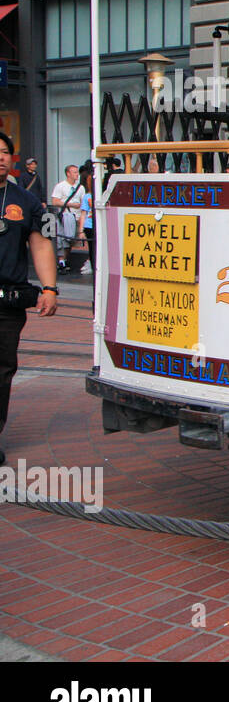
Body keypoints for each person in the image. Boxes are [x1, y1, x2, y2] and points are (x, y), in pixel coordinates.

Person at [0, 132, 59, 465]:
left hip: (6, 304)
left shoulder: (27, 201)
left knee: (1, 372)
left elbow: (40, 243)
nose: (0, 157)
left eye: (5, 152)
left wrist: (49, 288)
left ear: (13, 158)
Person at [49, 164, 84, 274]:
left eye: (77, 172)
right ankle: (61, 261)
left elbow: (83, 202)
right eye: (74, 172)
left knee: (71, 240)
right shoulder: (60, 186)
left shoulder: (81, 187)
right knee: (63, 239)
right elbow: (55, 201)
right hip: (64, 216)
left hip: (77, 217)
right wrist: (72, 204)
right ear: (68, 173)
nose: (77, 174)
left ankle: (64, 260)